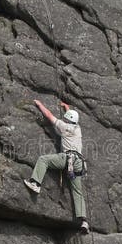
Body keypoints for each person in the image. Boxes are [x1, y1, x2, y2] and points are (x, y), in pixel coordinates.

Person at [23, 99, 89, 234]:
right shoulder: (78, 129)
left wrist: (40, 104)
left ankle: (35, 183)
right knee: (77, 191)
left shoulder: (64, 127)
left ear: (67, 120)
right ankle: (84, 221)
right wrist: (67, 108)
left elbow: (48, 115)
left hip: (67, 159)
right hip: (79, 164)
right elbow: (72, 118)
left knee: (43, 160)